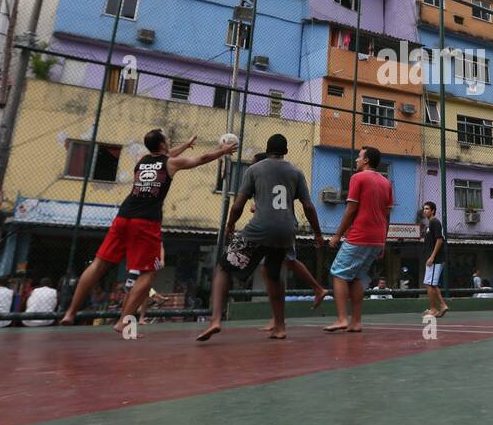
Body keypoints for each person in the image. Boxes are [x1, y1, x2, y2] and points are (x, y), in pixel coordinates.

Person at [58, 130, 236, 326]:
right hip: (146, 222)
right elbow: (201, 158)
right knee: (149, 273)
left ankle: (70, 313)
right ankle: (123, 322)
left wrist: (185, 145)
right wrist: (223, 151)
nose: (169, 142)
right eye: (167, 140)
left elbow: (168, 154)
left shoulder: (142, 160)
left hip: (123, 216)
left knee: (98, 264)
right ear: (161, 145)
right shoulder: (171, 163)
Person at [199, 133, 324, 341]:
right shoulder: (296, 172)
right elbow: (308, 206)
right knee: (274, 275)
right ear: (285, 152)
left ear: (267, 150)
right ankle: (280, 326)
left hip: (259, 229)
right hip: (286, 231)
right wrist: (318, 233)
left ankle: (215, 320)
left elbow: (238, 204)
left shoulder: (255, 169)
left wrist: (230, 225)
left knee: (223, 266)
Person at [325, 145, 393, 334]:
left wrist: (338, 235)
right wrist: (384, 242)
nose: (356, 160)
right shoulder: (386, 183)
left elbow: (351, 209)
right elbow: (387, 216)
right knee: (356, 277)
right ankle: (356, 322)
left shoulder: (358, 178)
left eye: (359, 157)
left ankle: (341, 319)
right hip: (377, 238)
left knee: (338, 273)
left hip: (360, 235)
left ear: (366, 161)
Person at [421, 201, 448, 318]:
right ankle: (442, 306)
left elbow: (439, 240)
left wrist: (432, 257)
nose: (425, 210)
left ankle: (433, 309)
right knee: (432, 284)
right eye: (424, 209)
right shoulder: (430, 224)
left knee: (429, 284)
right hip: (432, 259)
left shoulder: (434, 222)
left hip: (435, 260)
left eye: (427, 209)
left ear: (432, 210)